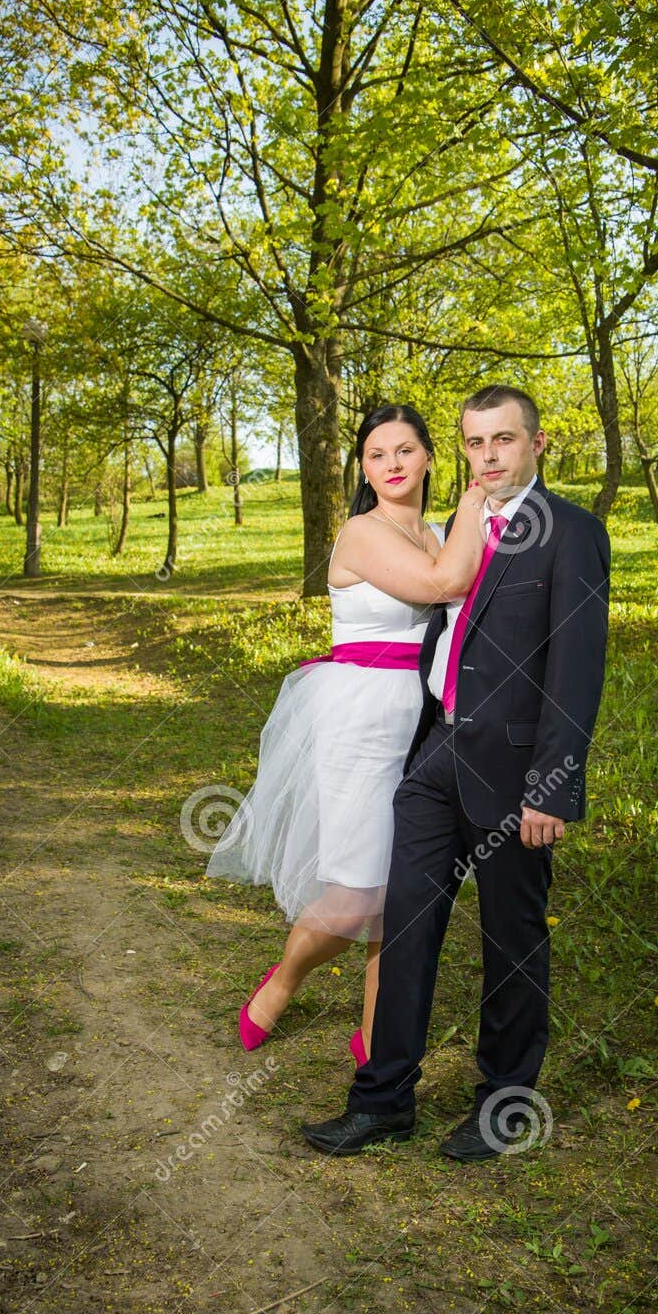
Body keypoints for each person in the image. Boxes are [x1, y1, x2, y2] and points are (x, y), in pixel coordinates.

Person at [301, 383, 611, 1161]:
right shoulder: (455, 532)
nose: (489, 455)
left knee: (510, 942)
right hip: (434, 753)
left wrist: (552, 784)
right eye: (475, 442)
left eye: (503, 440)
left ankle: (503, 1106)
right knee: (405, 930)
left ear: (536, 444)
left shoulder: (570, 533)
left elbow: (576, 670)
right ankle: (382, 1101)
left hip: (511, 770)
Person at [205, 403, 487, 1064]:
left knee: (406, 889)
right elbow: (446, 582)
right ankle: (283, 981)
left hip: (426, 717)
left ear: (426, 458)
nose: (390, 465)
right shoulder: (360, 532)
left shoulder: (441, 529)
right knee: (352, 896)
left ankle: (377, 1039)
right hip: (360, 717)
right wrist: (480, 495)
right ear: (362, 467)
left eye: (404, 451)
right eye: (376, 455)